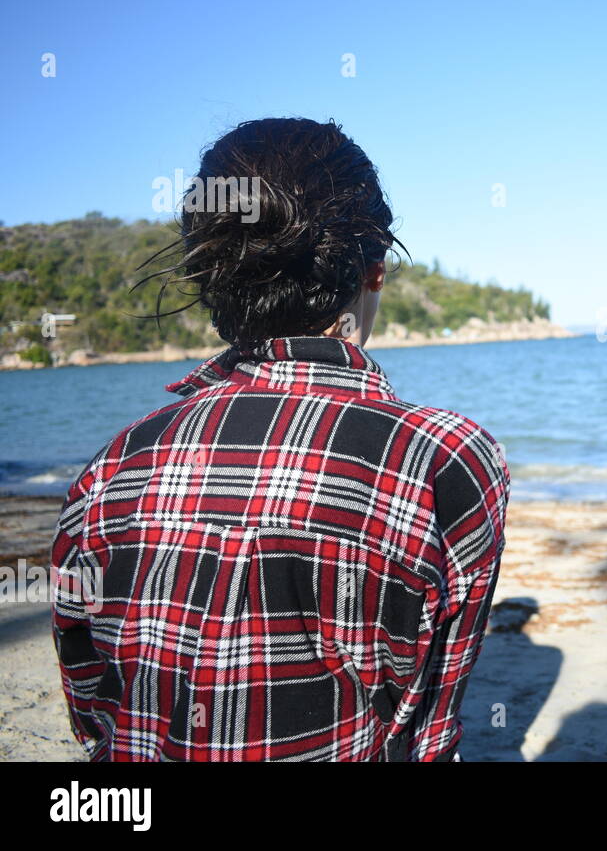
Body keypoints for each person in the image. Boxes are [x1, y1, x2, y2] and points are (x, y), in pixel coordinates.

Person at [50, 118, 508, 761]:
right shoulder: (442, 463)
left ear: (210, 282)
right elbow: (427, 729)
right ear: (375, 270)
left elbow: (92, 702)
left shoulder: (112, 469)